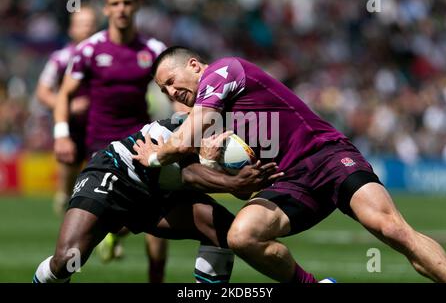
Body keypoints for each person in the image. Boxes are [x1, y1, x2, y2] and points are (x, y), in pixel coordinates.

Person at [132, 46, 446, 283]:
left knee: (391, 229)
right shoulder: (214, 127)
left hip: (326, 157)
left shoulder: (223, 71)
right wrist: (214, 165)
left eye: (172, 81)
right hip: (289, 182)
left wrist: (156, 157)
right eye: (164, 90)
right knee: (242, 236)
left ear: (194, 65)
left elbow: (184, 139)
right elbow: (246, 191)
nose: (172, 92)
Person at [33, 118, 282, 283]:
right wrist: (228, 178)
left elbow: (241, 190)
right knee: (68, 260)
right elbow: (189, 175)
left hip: (158, 194)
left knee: (221, 230)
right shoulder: (184, 124)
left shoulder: (242, 133)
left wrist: (244, 178)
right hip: (115, 176)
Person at [52, 0, 167, 282]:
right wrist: (62, 133)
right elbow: (64, 94)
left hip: (141, 142)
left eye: (127, 2)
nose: (121, 9)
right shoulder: (88, 49)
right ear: (106, 9)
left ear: (137, 5)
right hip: (101, 146)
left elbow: (175, 89)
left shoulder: (153, 50)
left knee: (157, 217)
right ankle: (111, 235)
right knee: (87, 232)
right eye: (114, 4)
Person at [35, 6, 97, 215]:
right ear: (71, 29)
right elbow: (42, 92)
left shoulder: (104, 54)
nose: (87, 29)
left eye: (90, 24)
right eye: (82, 24)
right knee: (68, 187)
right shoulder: (60, 58)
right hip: (71, 128)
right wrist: (68, 107)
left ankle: (108, 236)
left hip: (100, 127)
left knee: (102, 179)